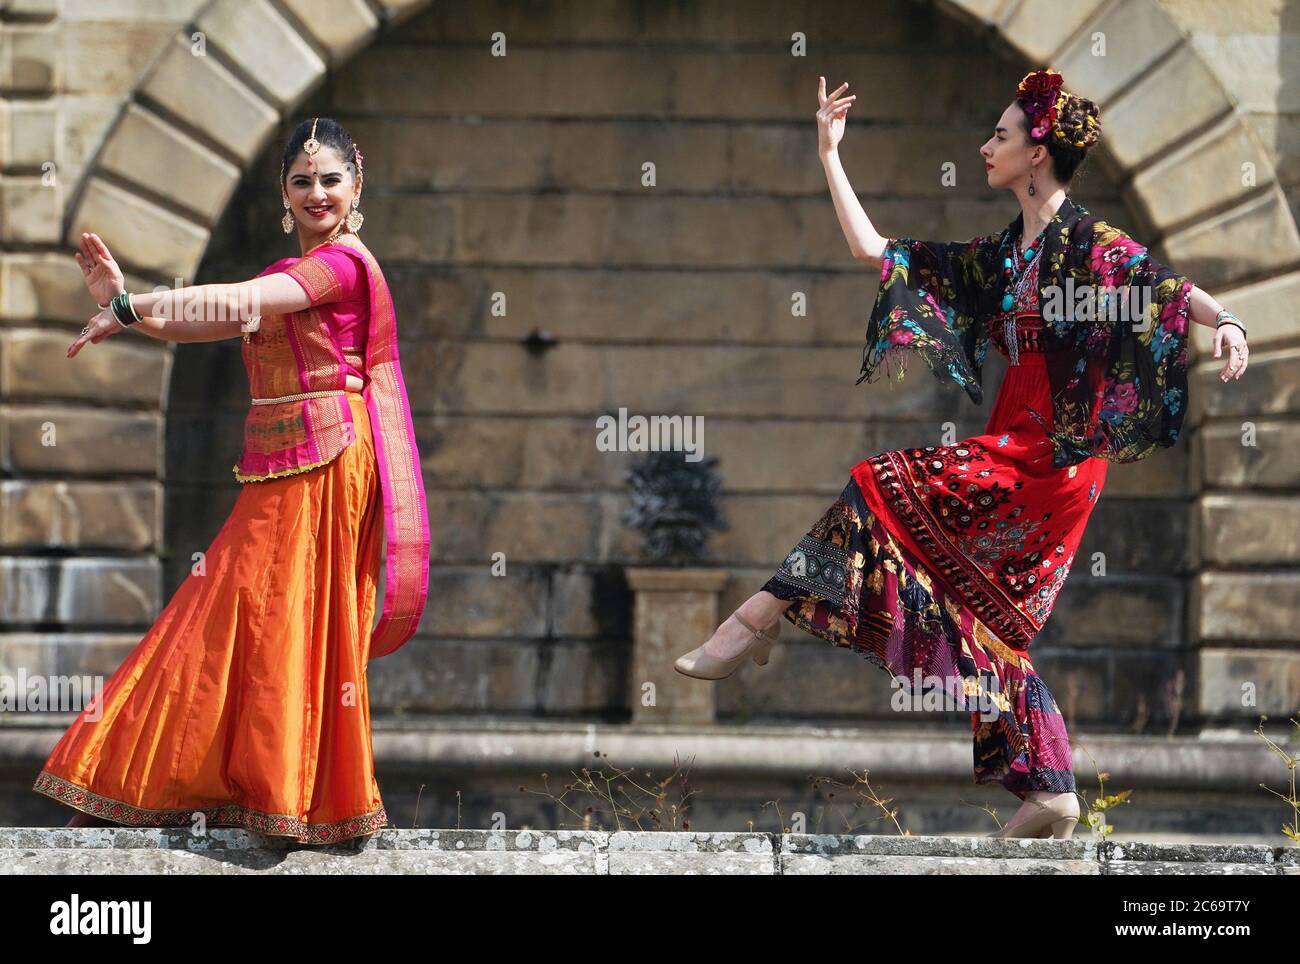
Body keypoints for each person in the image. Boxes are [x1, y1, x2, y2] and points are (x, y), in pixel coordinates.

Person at [674, 69, 1249, 840]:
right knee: (983, 618)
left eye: (1002, 135)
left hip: (1055, 452)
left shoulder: (1088, 244)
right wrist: (829, 154)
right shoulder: (1002, 257)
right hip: (1013, 438)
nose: (986, 146)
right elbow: (875, 249)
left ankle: (757, 616)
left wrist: (1229, 322)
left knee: (877, 483)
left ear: (1038, 153)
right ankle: (1048, 787)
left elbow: (1167, 290)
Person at [32, 117, 430, 845]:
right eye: (302, 181)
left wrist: (131, 305)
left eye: (330, 180)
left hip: (331, 459)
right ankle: (258, 789)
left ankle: (286, 794)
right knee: (244, 608)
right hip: (286, 458)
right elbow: (200, 323)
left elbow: (234, 303)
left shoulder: (340, 266)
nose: (317, 193)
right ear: (284, 193)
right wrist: (132, 312)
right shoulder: (287, 274)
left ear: (356, 185)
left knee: (261, 607)